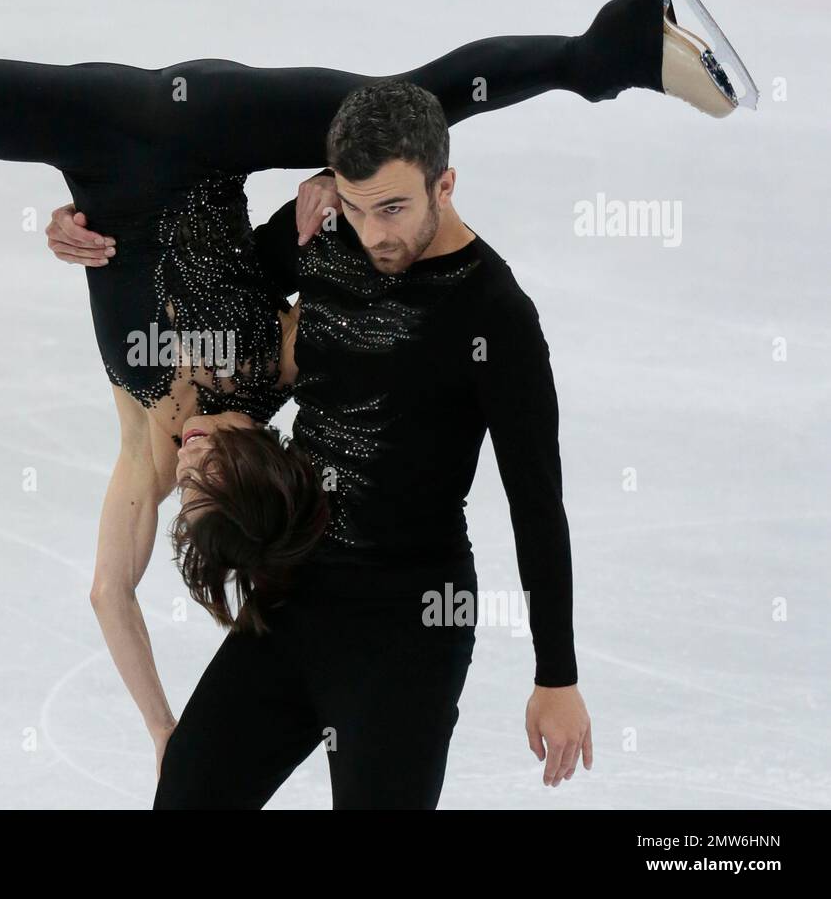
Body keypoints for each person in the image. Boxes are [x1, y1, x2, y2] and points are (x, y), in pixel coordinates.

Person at [0, 0, 749, 780]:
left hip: (103, 141)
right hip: (209, 132)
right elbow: (272, 258)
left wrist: (162, 735)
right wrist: (302, 232)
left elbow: (110, 593)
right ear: (266, 454)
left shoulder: (141, 464)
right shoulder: (284, 373)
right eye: (216, 461)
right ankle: (619, 45)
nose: (193, 452)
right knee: (399, 109)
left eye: (188, 469)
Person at [52, 80, 589, 807]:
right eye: (359, 206)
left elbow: (536, 500)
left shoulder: (495, 314)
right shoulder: (324, 237)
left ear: (446, 183)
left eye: (395, 208)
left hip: (408, 622)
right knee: (186, 793)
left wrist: (556, 674)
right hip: (294, 596)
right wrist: (92, 239)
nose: (375, 235)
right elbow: (204, 280)